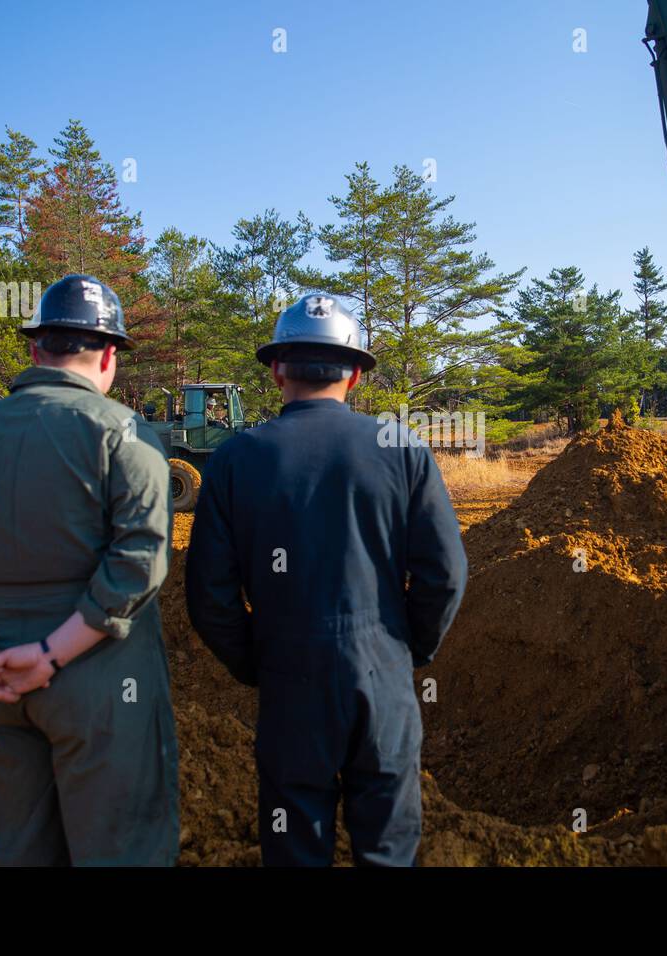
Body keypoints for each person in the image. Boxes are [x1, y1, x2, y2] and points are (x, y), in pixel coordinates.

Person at [186, 292, 468, 866]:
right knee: (388, 847)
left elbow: (209, 595)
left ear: (276, 370)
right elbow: (445, 573)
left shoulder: (238, 458)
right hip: (381, 674)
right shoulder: (402, 450)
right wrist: (406, 649)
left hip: (290, 679)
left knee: (294, 846)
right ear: (357, 374)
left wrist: (256, 661)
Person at [0, 274, 178, 866]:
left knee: (22, 850)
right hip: (101, 678)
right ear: (109, 354)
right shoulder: (123, 433)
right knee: (122, 849)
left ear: (36, 350)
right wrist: (51, 655)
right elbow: (139, 563)